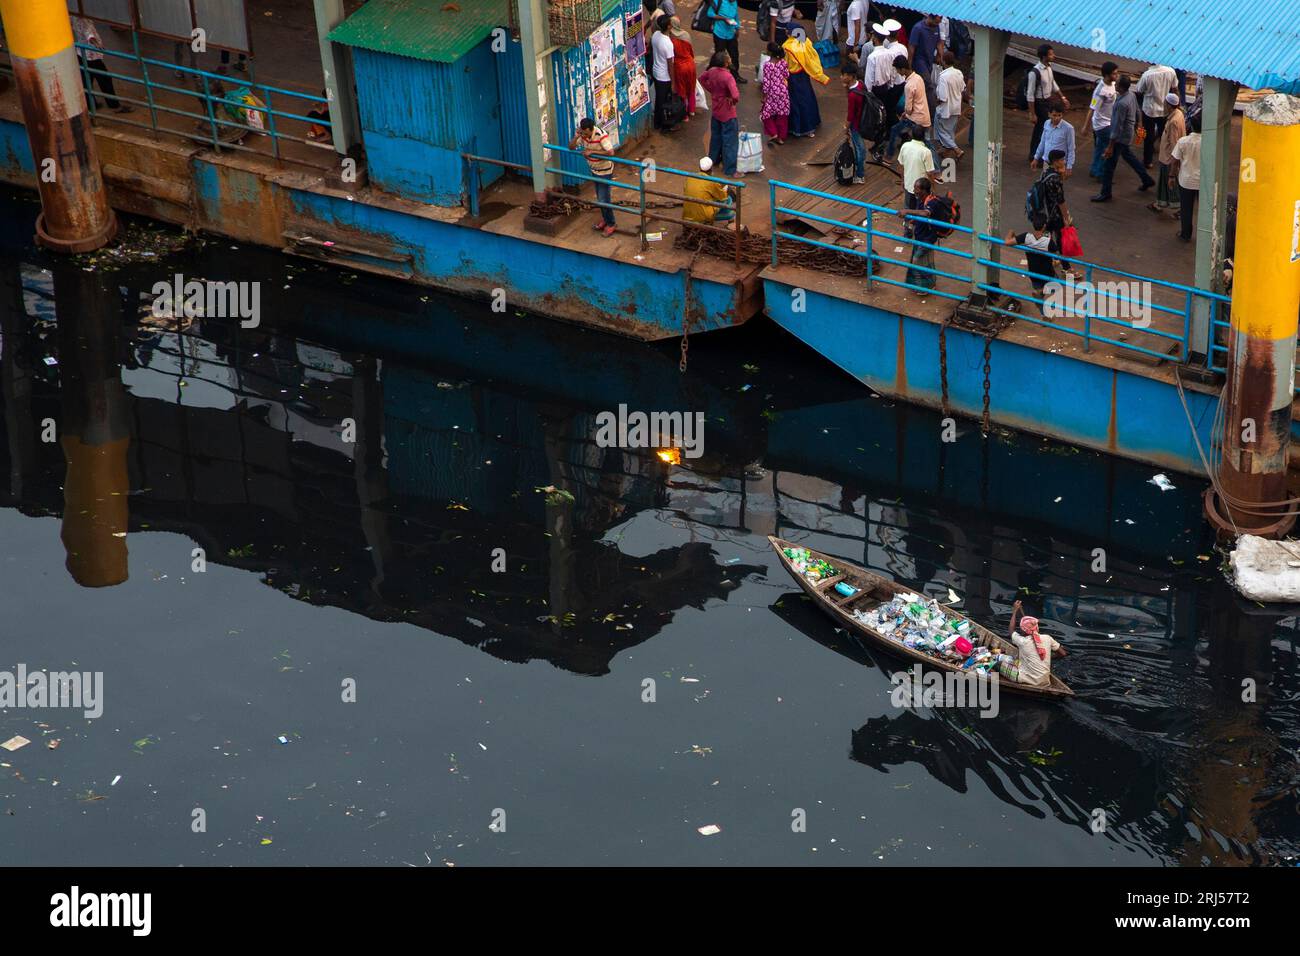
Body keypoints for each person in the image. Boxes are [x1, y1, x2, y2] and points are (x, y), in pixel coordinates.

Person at [1092, 75, 1155, 201]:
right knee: (1129, 156)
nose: (1114, 83)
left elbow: (1116, 127)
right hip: (1128, 134)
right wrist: (1138, 126)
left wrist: (1110, 146)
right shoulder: (1131, 95)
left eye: (1117, 83)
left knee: (1109, 166)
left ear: (1120, 87)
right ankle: (1146, 179)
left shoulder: (1121, 104)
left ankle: (1106, 192)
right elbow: (1137, 111)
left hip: (1120, 137)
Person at [72, 16, 131, 114]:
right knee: (105, 80)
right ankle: (114, 106)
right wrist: (96, 44)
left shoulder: (73, 16)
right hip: (91, 55)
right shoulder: (84, 20)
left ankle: (91, 105)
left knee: (86, 80)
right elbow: (89, 34)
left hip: (81, 53)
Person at [570, 118, 618, 238]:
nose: (584, 136)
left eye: (586, 133)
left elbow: (611, 152)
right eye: (583, 133)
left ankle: (611, 224)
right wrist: (576, 137)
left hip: (605, 171)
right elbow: (571, 147)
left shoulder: (600, 135)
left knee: (603, 199)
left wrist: (592, 152)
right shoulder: (583, 135)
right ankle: (605, 220)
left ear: (591, 129)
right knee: (601, 198)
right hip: (594, 170)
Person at [1005, 214, 1059, 315]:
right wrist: (1056, 262)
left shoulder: (1026, 237)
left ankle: (1044, 313)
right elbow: (1057, 257)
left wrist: (1011, 231)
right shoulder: (1048, 242)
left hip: (1033, 273)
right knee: (1058, 286)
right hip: (1048, 273)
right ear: (1044, 226)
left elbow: (1007, 242)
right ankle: (1042, 293)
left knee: (1039, 297)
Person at [783, 27, 830, 138]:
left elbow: (785, 64)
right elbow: (812, 58)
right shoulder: (806, 42)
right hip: (803, 76)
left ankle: (798, 128)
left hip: (793, 78)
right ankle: (810, 126)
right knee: (807, 99)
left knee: (795, 102)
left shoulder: (787, 47)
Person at [700, 51, 741, 175]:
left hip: (716, 110)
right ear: (725, 63)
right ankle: (730, 170)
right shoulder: (728, 77)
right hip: (728, 113)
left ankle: (714, 161)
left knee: (716, 137)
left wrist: (712, 90)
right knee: (730, 141)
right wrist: (732, 100)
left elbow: (701, 79)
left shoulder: (711, 71)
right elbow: (735, 95)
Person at [885, 56, 932, 160]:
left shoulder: (908, 85)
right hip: (924, 116)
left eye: (897, 69)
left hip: (915, 119)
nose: (897, 72)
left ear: (902, 69)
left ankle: (889, 156)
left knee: (894, 130)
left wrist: (905, 114)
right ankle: (936, 170)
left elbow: (909, 109)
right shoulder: (918, 78)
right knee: (927, 143)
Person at [1007, 601, 1064, 687]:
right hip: (1044, 682)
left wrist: (1014, 611)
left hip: (1025, 679)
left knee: (998, 663)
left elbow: (1011, 631)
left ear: (1023, 631)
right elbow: (1063, 653)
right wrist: (1048, 657)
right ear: (1037, 628)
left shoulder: (1022, 641)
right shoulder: (1047, 638)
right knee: (1016, 661)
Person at [1035, 148, 1073, 273]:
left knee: (1047, 237)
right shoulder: (1055, 178)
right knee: (1061, 240)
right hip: (1055, 215)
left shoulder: (1046, 173)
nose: (1064, 161)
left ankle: (1049, 260)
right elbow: (1061, 200)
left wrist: (1061, 173)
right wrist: (1066, 217)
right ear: (1055, 162)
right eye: (1062, 160)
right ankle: (1066, 267)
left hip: (1045, 212)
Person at [1026, 44, 1065, 161]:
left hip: (1048, 102)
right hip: (1039, 103)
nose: (1054, 56)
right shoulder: (1034, 72)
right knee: (1040, 130)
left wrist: (1062, 97)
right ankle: (1033, 155)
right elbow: (1030, 94)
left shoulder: (1049, 68)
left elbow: (1053, 84)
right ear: (1044, 57)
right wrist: (1032, 113)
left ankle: (1040, 155)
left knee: (1044, 129)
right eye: (1051, 54)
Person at [902, 177, 941, 295]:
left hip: (928, 238)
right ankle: (930, 284)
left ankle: (923, 288)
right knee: (927, 260)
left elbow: (925, 213)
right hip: (920, 236)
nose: (914, 191)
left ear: (924, 190)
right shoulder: (921, 200)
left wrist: (907, 211)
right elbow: (919, 214)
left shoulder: (932, 202)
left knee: (917, 260)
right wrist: (912, 221)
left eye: (916, 188)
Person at [1135, 63, 1178, 168]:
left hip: (1149, 110)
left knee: (1147, 136)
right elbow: (1175, 88)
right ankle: (1165, 159)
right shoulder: (1171, 71)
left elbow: (1139, 90)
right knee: (1164, 135)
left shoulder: (1147, 75)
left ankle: (1147, 161)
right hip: (1165, 109)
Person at [1082, 61, 1118, 179]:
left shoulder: (1112, 84)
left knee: (1099, 147)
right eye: (1114, 74)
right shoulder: (1100, 91)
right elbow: (1092, 109)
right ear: (1107, 75)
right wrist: (1085, 127)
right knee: (1108, 149)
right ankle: (1101, 173)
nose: (1116, 76)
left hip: (1108, 121)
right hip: (1103, 125)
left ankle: (1094, 169)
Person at [897, 126, 939, 227]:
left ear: (911, 134)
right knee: (920, 211)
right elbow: (930, 173)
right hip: (922, 190)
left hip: (908, 184)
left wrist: (903, 180)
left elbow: (901, 166)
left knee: (907, 208)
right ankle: (917, 230)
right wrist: (933, 187)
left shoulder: (905, 146)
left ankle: (907, 230)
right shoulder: (926, 152)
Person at [1169, 114, 1202, 242]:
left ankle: (1185, 234)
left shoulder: (1183, 141)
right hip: (1202, 182)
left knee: (1186, 209)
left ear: (1192, 126)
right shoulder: (1209, 142)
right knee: (1204, 210)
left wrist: (1171, 176)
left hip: (1186, 180)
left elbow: (1175, 160)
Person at [864, 23, 899, 135]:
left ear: (874, 38)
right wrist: (890, 84)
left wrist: (867, 94)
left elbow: (869, 79)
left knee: (875, 114)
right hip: (885, 87)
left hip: (875, 90)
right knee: (883, 112)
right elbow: (893, 71)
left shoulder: (872, 57)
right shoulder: (889, 53)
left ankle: (877, 135)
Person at [683, 156, 736, 228]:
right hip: (703, 216)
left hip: (687, 215)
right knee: (728, 199)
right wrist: (725, 188)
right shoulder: (711, 181)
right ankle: (730, 218)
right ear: (711, 168)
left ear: (699, 167)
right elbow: (722, 197)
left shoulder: (690, 177)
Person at [1153, 92, 1185, 211]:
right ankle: (1161, 203)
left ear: (1169, 105)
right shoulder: (1179, 114)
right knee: (1166, 183)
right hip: (1168, 158)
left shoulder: (1173, 122)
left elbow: (1173, 143)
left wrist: (1173, 165)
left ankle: (1178, 208)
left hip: (1168, 159)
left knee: (1171, 183)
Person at [907, 13, 943, 118]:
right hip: (919, 62)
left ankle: (922, 110)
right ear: (930, 18)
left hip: (929, 61)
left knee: (923, 88)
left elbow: (939, 42)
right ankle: (933, 115)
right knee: (929, 86)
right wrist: (909, 65)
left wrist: (940, 55)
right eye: (936, 21)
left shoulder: (937, 27)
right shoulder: (918, 28)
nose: (938, 23)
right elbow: (911, 47)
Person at [933, 50, 965, 159]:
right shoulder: (959, 73)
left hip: (945, 109)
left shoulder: (943, 77)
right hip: (956, 107)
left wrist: (937, 101)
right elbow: (962, 89)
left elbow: (942, 97)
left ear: (944, 61)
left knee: (940, 130)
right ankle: (946, 150)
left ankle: (957, 150)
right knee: (950, 131)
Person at [1031, 97, 1075, 175]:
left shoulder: (1069, 128)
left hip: (1059, 164)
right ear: (1049, 114)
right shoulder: (1046, 124)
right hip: (1046, 162)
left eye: (1059, 115)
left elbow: (1071, 148)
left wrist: (1069, 166)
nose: (1057, 118)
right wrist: (1036, 158)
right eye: (1054, 115)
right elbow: (1042, 142)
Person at [708, 0, 746, 84]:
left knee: (734, 55)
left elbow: (736, 16)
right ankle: (714, 76)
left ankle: (735, 76)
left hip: (731, 34)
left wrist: (737, 28)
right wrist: (723, 18)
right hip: (719, 33)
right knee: (719, 57)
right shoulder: (718, 1)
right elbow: (710, 13)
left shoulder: (735, 2)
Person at [760, 43, 791, 145]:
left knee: (766, 114)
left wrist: (764, 96)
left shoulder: (767, 65)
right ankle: (780, 138)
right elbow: (787, 75)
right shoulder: (783, 63)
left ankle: (773, 133)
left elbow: (766, 82)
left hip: (772, 93)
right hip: (783, 91)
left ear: (770, 53)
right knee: (782, 115)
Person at [668, 17, 697, 122]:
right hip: (691, 65)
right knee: (691, 88)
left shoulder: (671, 39)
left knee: (682, 91)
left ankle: (684, 115)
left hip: (680, 67)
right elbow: (691, 52)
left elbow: (671, 57)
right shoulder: (686, 35)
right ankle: (692, 110)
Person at [842, 65, 868, 184]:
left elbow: (850, 116)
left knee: (860, 148)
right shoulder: (861, 84)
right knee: (859, 147)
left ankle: (860, 175)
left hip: (856, 125)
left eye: (844, 75)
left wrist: (846, 128)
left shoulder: (853, 95)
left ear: (851, 76)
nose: (841, 77)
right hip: (864, 122)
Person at [650, 14, 676, 130]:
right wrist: (673, 83)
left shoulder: (655, 35)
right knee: (663, 102)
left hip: (656, 72)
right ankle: (664, 125)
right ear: (669, 26)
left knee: (659, 100)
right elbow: (670, 65)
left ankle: (658, 123)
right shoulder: (668, 44)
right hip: (664, 77)